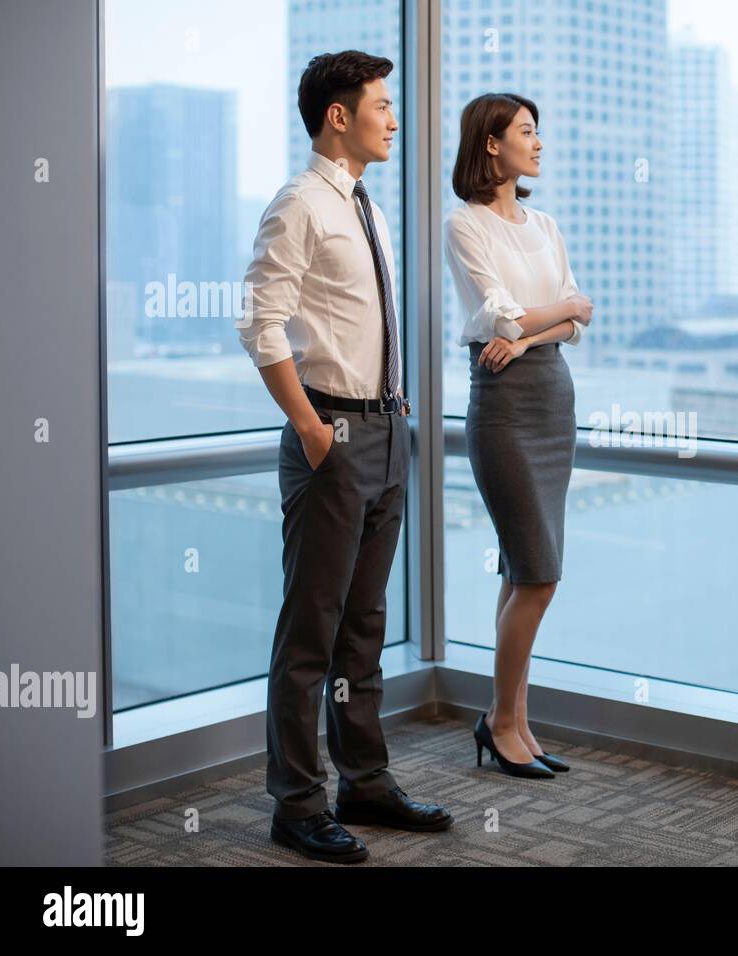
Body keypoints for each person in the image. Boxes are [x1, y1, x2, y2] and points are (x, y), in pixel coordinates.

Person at [239, 50, 451, 864]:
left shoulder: (368, 207)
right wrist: (310, 428)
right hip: (331, 435)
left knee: (363, 626)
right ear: (339, 115)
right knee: (311, 632)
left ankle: (365, 781)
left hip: (386, 432)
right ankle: (297, 803)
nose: (393, 119)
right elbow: (261, 326)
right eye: (382, 105)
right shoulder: (300, 203)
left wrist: (393, 416)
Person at [443, 92, 593, 779]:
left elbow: (575, 321)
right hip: (501, 406)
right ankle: (499, 721)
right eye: (528, 132)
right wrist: (549, 318)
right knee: (538, 572)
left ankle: (515, 722)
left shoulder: (546, 224)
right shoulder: (465, 224)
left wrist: (540, 327)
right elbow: (499, 318)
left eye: (539, 131)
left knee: (520, 568)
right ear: (491, 144)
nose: (540, 143)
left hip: (551, 396)